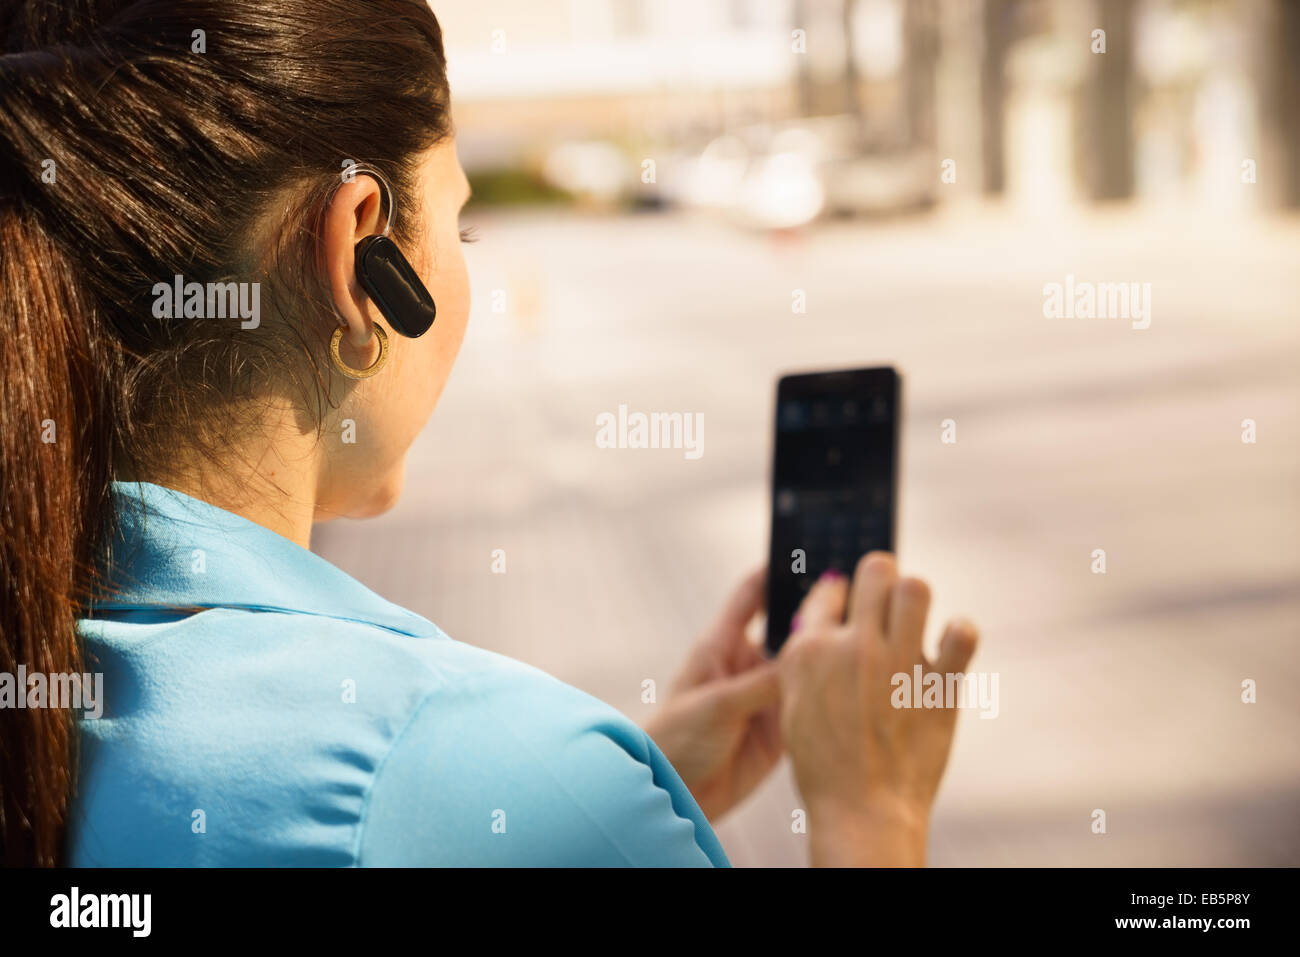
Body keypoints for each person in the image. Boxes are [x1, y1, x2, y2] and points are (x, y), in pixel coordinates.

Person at [0, 0, 978, 867]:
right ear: (359, 254)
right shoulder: (460, 759)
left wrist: (617, 801)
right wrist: (870, 818)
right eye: (460, 230)